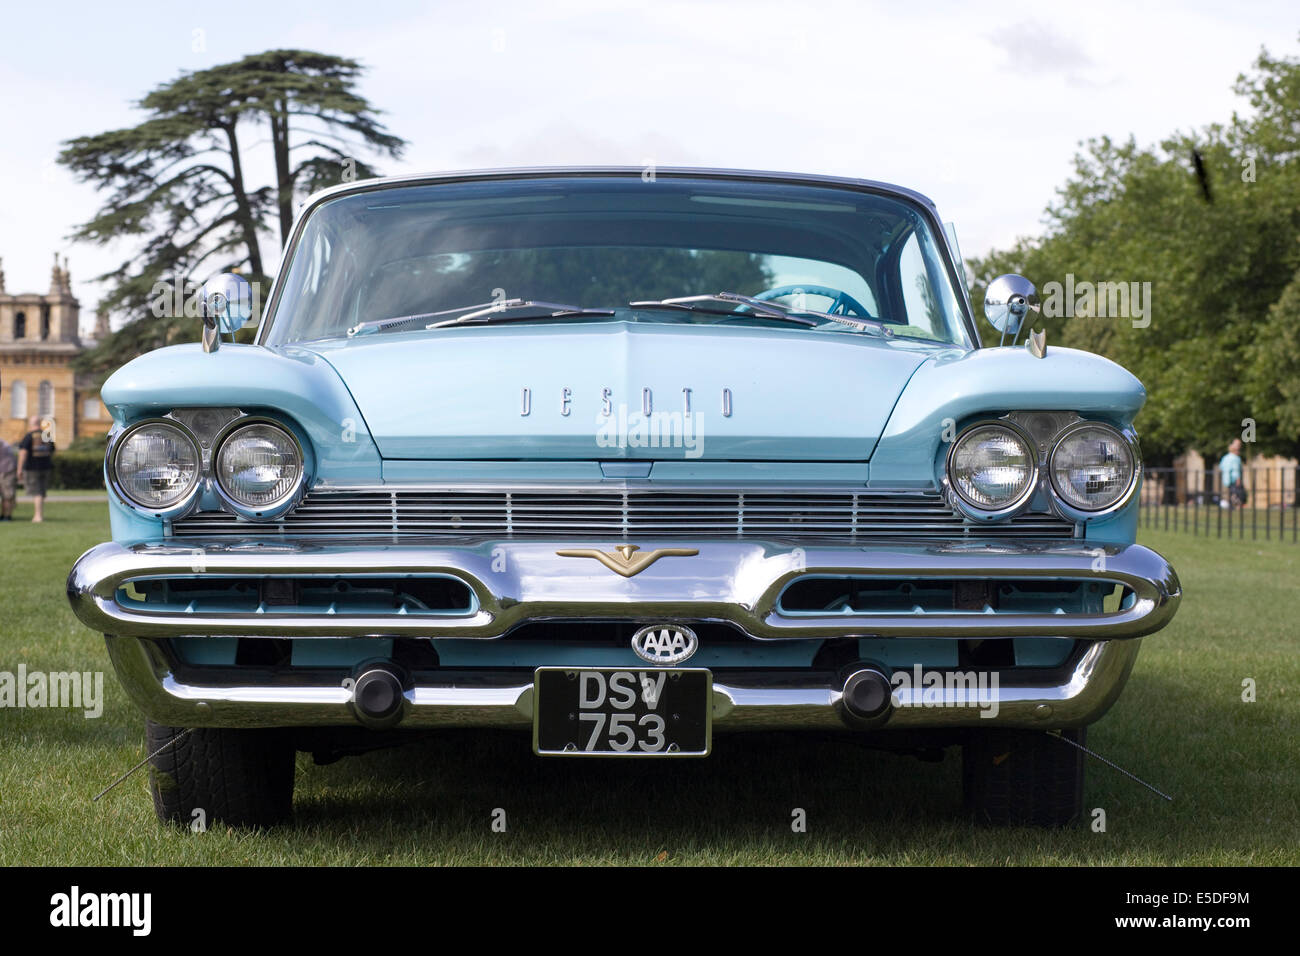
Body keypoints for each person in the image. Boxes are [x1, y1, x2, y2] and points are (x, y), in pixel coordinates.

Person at [16, 415, 55, 523]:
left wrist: (19, 469)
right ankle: (39, 514)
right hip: (46, 468)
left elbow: (23, 453)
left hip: (32, 468)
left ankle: (38, 516)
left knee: (37, 492)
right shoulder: (46, 435)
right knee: (41, 492)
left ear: (31, 424)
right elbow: (52, 450)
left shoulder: (29, 436)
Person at [1218, 438, 1245, 509]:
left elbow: (1221, 467)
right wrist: (1238, 479)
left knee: (1229, 494)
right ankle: (1237, 505)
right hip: (1234, 479)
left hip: (1225, 479)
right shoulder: (1236, 458)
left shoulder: (1225, 457)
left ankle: (1231, 506)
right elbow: (1236, 470)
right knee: (1236, 493)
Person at [0, 436, 16, 520]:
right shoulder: (3, 443)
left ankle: (7, 516)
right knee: (7, 495)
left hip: (6, 471)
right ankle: (4, 515)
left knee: (7, 495)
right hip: (7, 469)